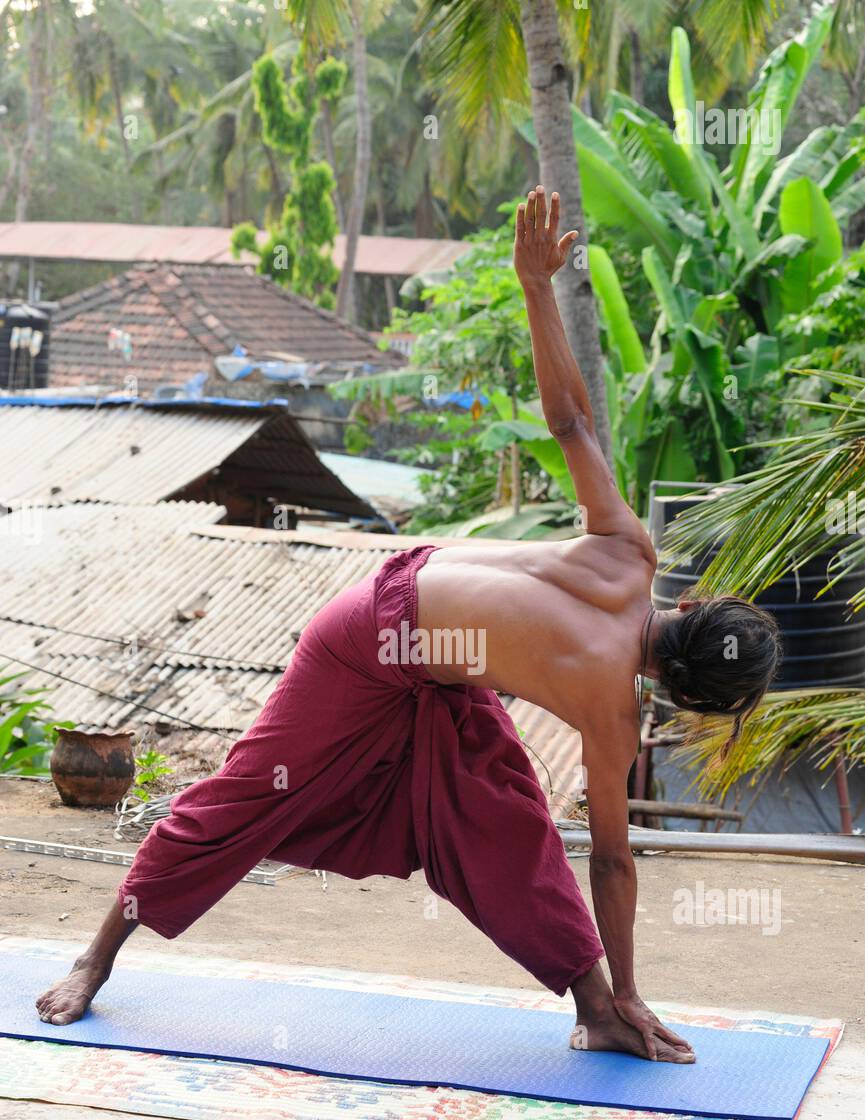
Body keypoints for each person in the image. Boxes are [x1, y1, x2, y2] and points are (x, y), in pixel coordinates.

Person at [35, 187, 781, 1064]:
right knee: (248, 797)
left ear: (688, 609)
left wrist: (536, 286)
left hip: (434, 668)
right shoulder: (614, 712)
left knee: (510, 820)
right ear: (682, 693)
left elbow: (571, 420)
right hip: (363, 641)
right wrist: (635, 978)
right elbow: (614, 866)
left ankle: (597, 1012)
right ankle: (96, 957)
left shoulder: (631, 549)